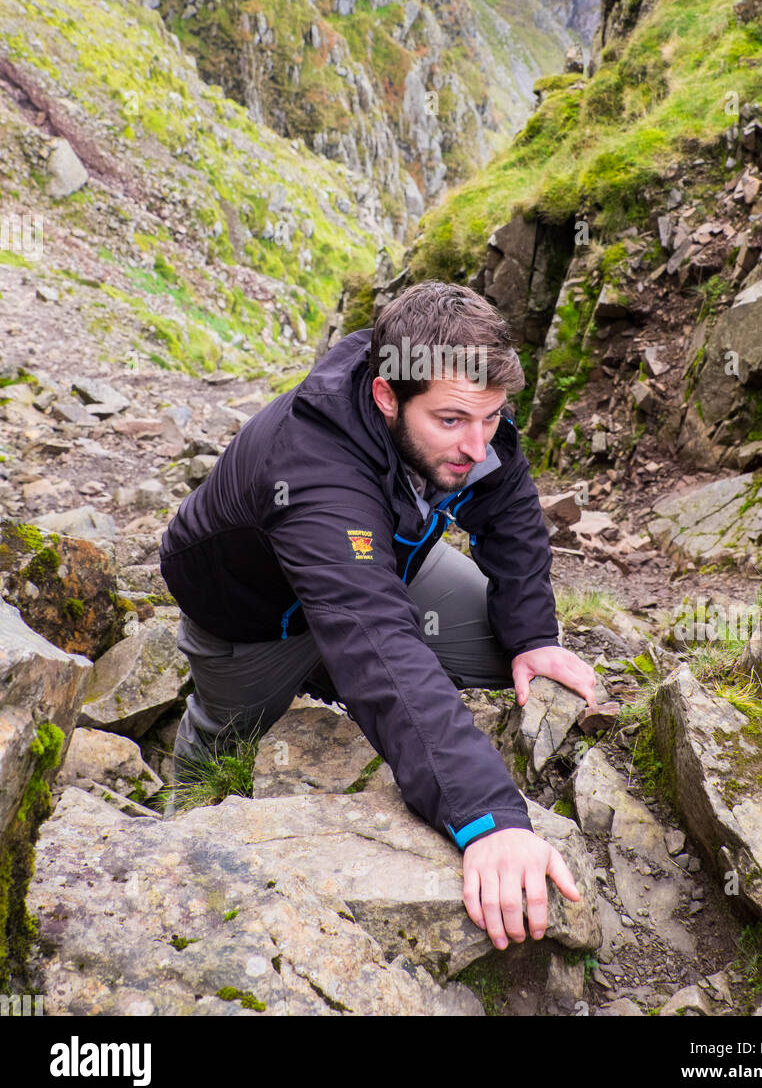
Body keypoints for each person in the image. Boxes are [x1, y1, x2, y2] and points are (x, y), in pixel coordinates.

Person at [159, 281, 597, 951]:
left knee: (501, 650)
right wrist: (489, 819)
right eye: (452, 422)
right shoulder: (312, 467)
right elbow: (381, 646)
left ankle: (341, 679)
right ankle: (175, 817)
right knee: (223, 739)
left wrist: (534, 636)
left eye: (491, 418)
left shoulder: (458, 387)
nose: (477, 444)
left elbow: (508, 505)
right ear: (387, 396)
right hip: (251, 621)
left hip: (378, 570)